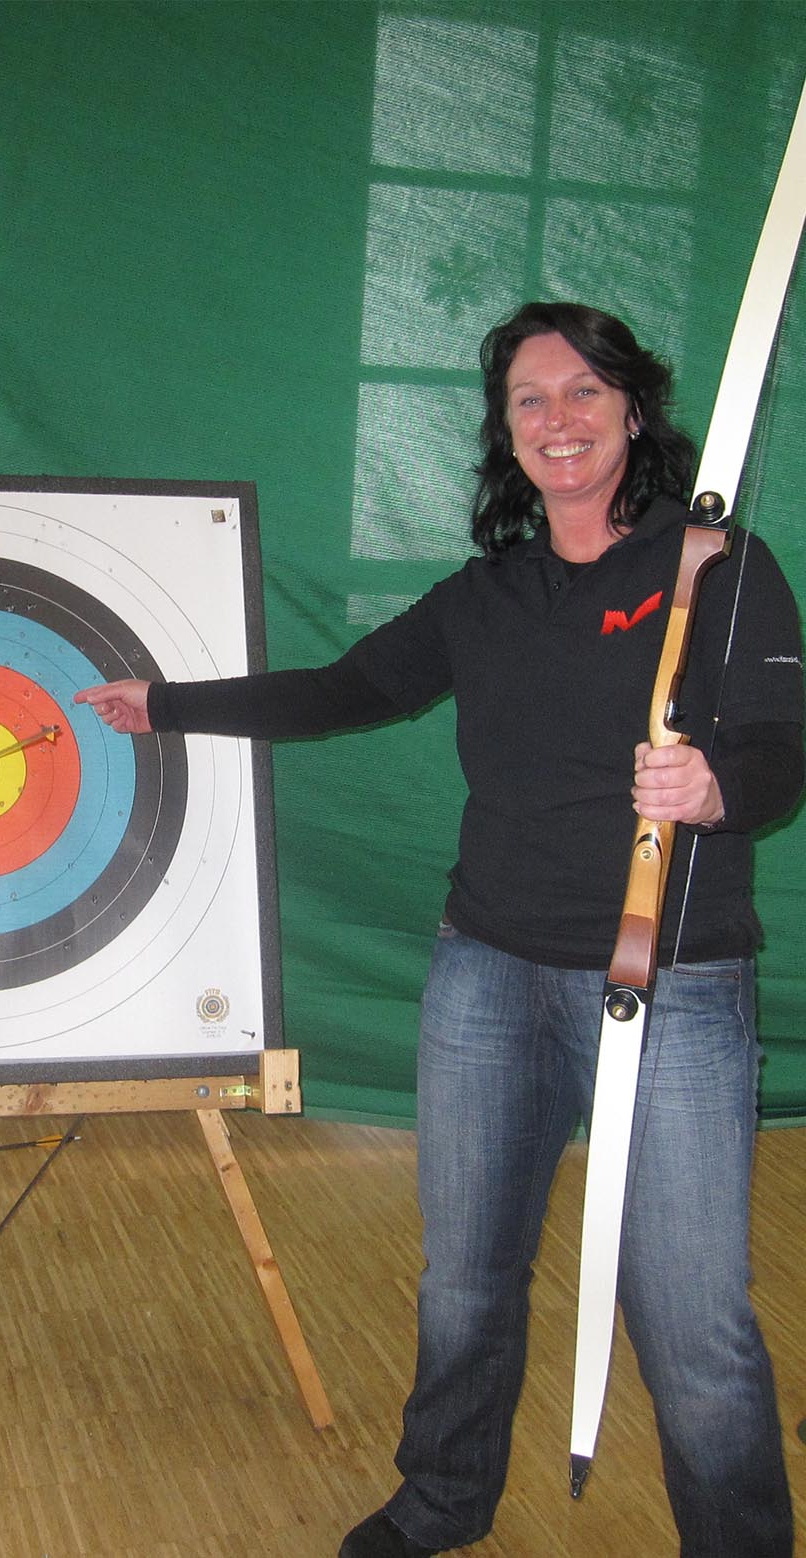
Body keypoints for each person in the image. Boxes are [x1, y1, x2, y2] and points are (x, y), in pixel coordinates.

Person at [74, 302, 802, 1557]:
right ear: (505, 434)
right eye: (529, 400)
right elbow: (348, 688)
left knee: (692, 1322)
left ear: (633, 410)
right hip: (487, 974)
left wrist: (716, 786)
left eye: (582, 392)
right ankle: (440, 1503)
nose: (557, 420)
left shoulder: (714, 571)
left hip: (667, 983)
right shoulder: (490, 595)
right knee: (464, 1279)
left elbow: (786, 750)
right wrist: (166, 702)